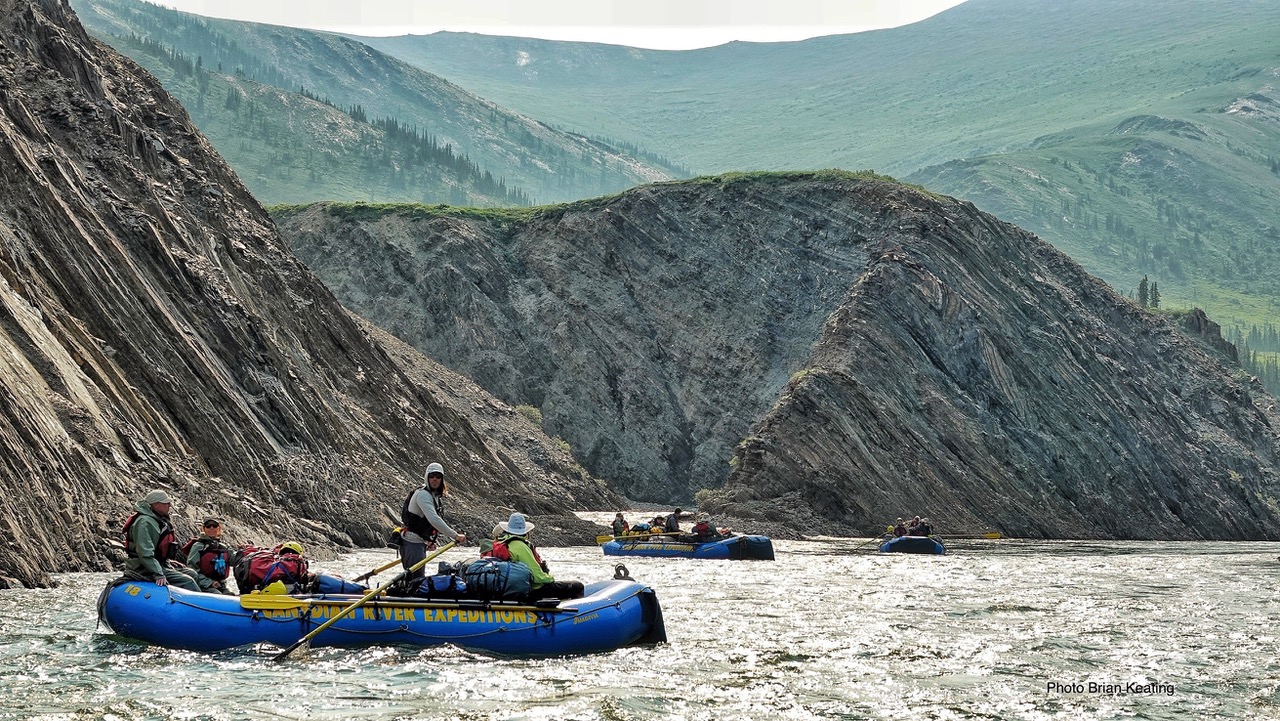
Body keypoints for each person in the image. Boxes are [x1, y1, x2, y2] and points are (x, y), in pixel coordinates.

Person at [122, 489, 200, 591]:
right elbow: (145, 553)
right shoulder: (144, 523)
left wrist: (168, 562)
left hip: (160, 564)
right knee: (188, 581)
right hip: (142, 568)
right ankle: (199, 605)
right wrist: (158, 574)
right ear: (155, 505)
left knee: (192, 573)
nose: (169, 505)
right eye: (166, 503)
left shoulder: (156, 519)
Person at [400, 462, 467, 580]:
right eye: (431, 476)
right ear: (427, 477)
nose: (434, 479)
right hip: (412, 543)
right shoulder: (423, 495)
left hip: (418, 543)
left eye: (438, 476)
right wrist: (455, 535)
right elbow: (434, 519)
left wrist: (428, 540)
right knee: (415, 580)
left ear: (442, 479)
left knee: (416, 579)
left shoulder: (434, 495)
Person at [497, 513, 583, 601]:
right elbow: (537, 577)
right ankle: (576, 612)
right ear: (525, 532)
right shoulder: (520, 546)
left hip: (506, 590)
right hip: (531, 590)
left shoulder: (501, 543)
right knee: (577, 586)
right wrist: (550, 579)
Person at [184, 518, 234, 595]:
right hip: (203, 585)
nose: (211, 528)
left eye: (214, 526)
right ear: (203, 529)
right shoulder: (198, 546)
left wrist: (243, 551)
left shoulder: (223, 547)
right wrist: (209, 583)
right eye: (208, 526)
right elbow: (192, 569)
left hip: (221, 585)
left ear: (219, 529)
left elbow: (234, 560)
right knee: (217, 595)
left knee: (230, 595)